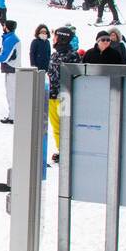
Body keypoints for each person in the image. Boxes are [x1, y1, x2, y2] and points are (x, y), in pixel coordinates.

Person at [46, 26, 76, 162]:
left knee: (66, 126)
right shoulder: (54, 54)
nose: (53, 39)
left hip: (65, 97)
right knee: (56, 126)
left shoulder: (72, 56)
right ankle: (61, 150)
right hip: (53, 96)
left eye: (56, 36)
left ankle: (68, 150)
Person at [0, 19, 20, 123]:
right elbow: (11, 53)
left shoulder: (10, 39)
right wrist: (0, 49)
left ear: (7, 27)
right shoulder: (11, 38)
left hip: (12, 69)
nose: (3, 27)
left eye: (4, 25)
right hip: (12, 69)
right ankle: (13, 115)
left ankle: (13, 117)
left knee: (11, 94)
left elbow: (6, 57)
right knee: (11, 94)